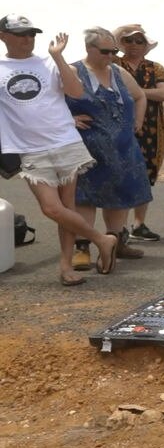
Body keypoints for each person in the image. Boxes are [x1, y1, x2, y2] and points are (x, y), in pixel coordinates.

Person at [0, 14, 119, 285]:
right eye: (20, 34)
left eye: (31, 34)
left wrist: (58, 58)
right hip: (29, 149)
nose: (27, 39)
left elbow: (76, 92)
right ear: (3, 36)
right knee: (52, 208)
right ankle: (102, 239)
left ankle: (66, 268)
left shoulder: (48, 63)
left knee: (67, 207)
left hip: (65, 142)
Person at [67, 27, 152, 269]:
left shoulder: (119, 73)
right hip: (86, 149)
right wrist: (68, 120)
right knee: (84, 199)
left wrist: (137, 121)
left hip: (123, 149)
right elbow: (48, 103)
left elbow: (140, 96)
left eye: (114, 51)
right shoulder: (73, 72)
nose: (111, 56)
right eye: (105, 51)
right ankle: (82, 249)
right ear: (89, 49)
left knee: (119, 198)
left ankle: (115, 245)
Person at [114, 24, 164, 242]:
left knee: (146, 174)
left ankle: (138, 224)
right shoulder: (112, 62)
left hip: (151, 127)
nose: (134, 45)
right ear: (121, 43)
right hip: (118, 125)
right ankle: (119, 227)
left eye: (139, 41)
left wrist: (135, 92)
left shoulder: (156, 68)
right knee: (121, 174)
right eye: (128, 40)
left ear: (146, 46)